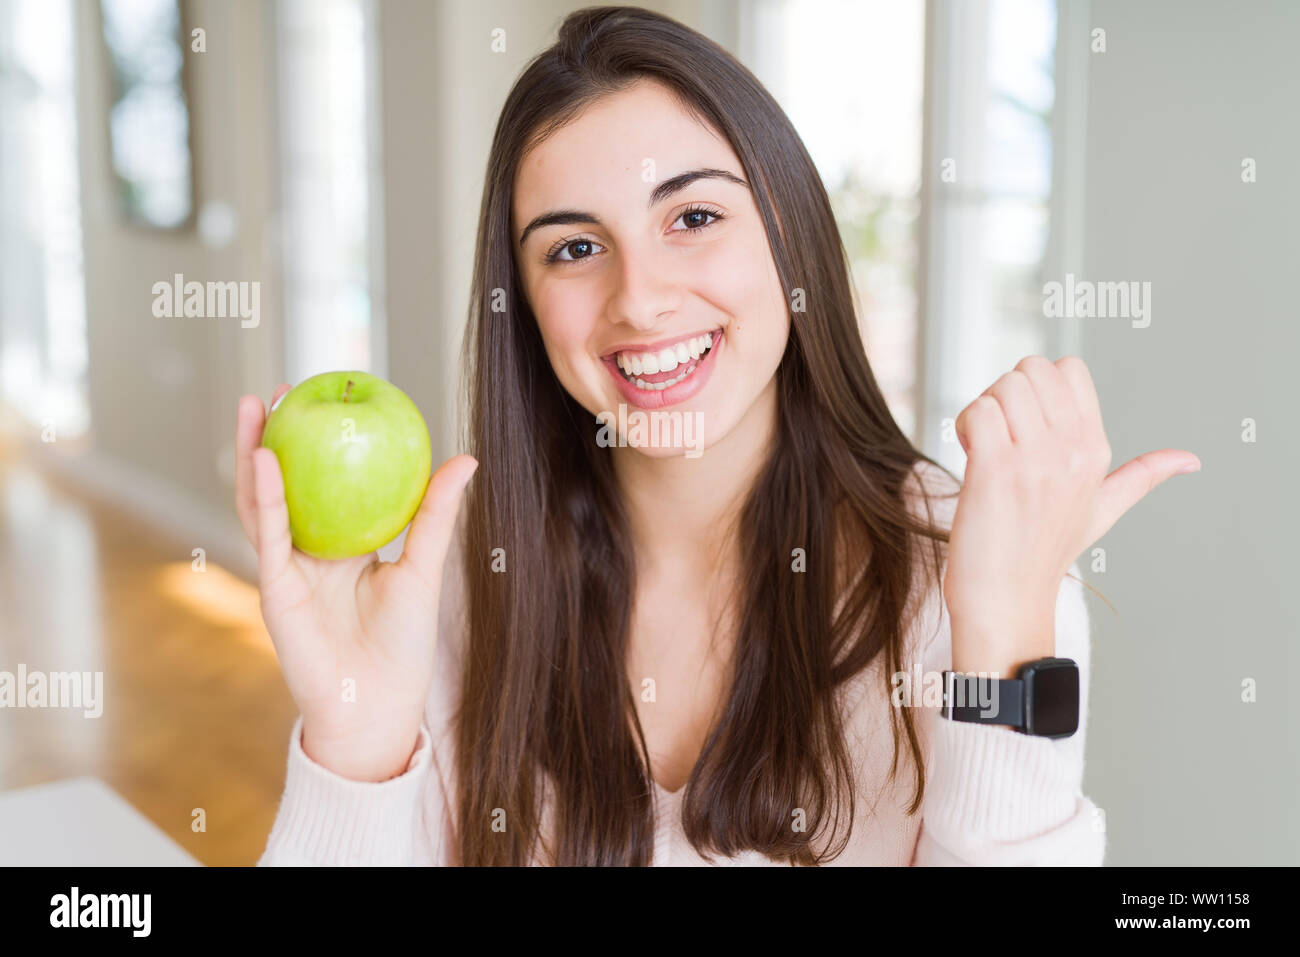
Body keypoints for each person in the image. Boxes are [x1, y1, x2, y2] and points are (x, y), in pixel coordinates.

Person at [236, 5, 1198, 866]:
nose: (641, 298)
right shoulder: (457, 577)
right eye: (574, 248)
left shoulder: (976, 568)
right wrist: (355, 743)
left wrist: (1003, 639)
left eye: (693, 216)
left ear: (791, 237)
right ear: (521, 306)